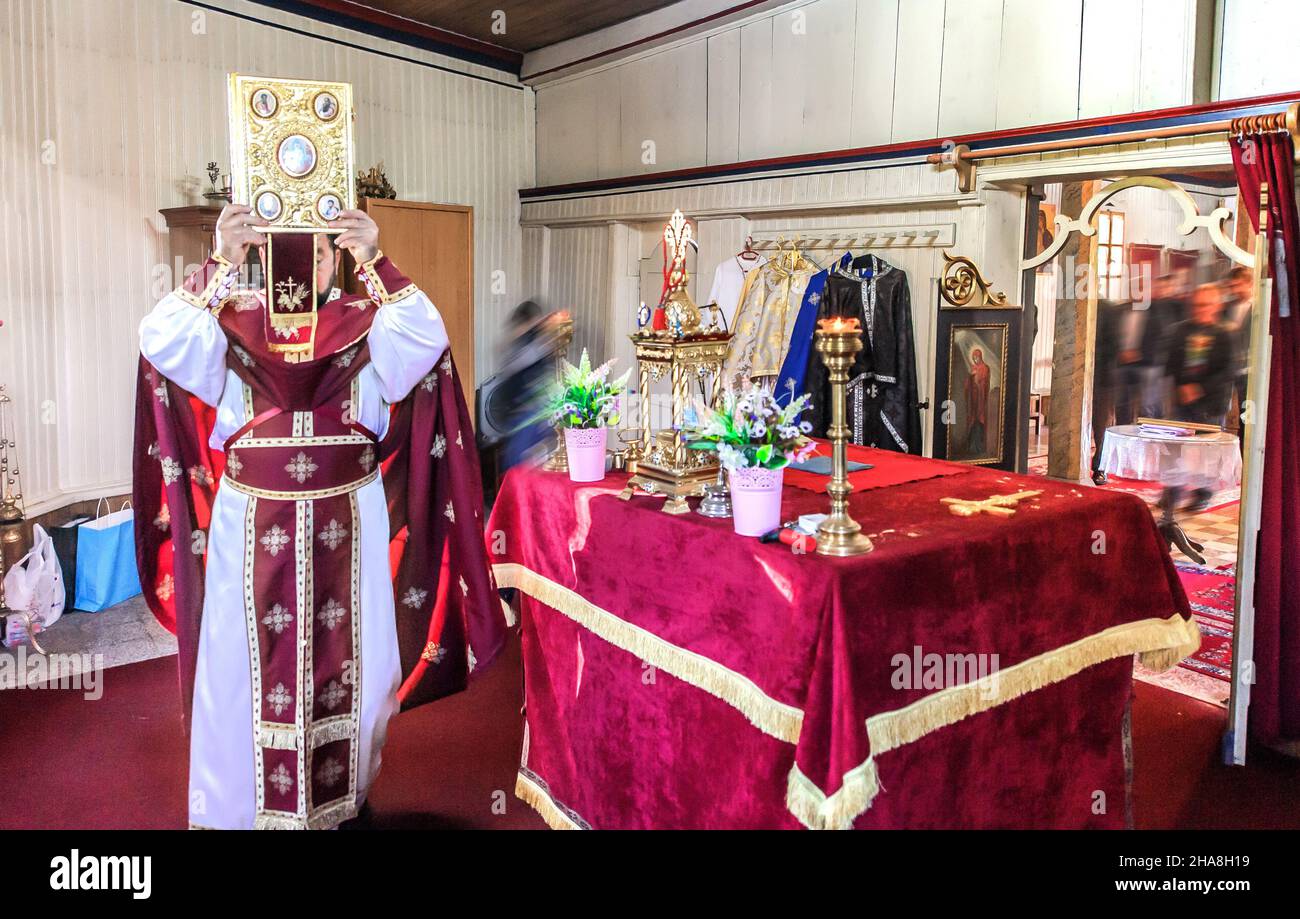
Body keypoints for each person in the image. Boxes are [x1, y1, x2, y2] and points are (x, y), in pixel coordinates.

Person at [134, 204, 506, 830]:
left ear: (338, 260)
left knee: (356, 663)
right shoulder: (226, 322)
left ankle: (338, 801)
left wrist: (377, 258)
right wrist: (220, 263)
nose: (308, 263)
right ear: (262, 253)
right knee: (240, 668)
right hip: (250, 524)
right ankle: (242, 811)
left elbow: (426, 337)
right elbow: (160, 338)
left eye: (324, 251)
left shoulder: (370, 322)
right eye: (290, 246)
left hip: (348, 526)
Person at [964, 347, 990, 455]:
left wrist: (976, 378)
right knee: (972, 421)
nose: (975, 359)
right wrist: (970, 377)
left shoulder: (985, 368)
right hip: (973, 400)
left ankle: (979, 448)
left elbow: (984, 384)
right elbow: (967, 385)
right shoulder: (973, 368)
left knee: (979, 422)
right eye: (974, 357)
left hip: (980, 399)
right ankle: (971, 448)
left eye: (977, 357)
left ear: (980, 357)